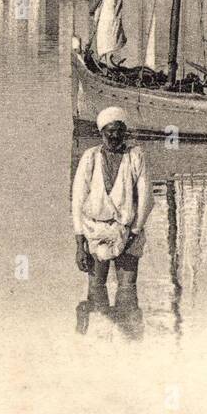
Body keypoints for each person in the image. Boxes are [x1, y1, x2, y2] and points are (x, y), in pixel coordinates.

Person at [72, 107, 153, 333]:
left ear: (125, 132)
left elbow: (146, 197)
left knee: (127, 289)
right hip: (95, 231)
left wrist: (134, 232)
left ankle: (126, 340)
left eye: (119, 131)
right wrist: (80, 246)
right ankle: (98, 336)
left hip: (128, 231)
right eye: (109, 132)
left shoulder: (135, 156)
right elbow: (77, 203)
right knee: (97, 287)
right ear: (101, 133)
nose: (114, 137)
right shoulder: (90, 157)